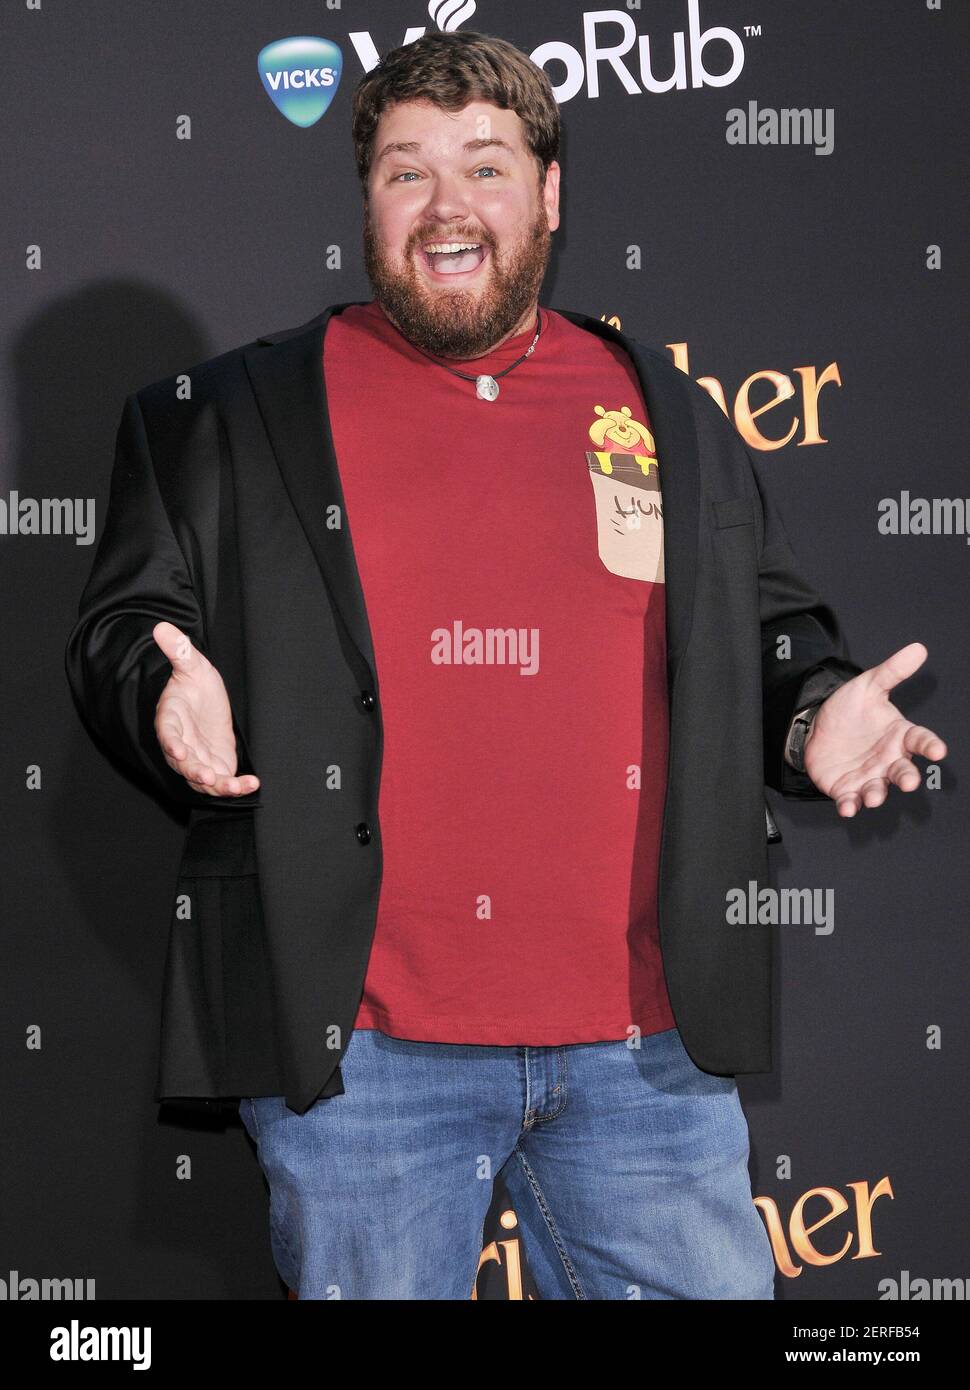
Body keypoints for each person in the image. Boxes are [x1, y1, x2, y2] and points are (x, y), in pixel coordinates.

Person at [65, 31, 947, 1301]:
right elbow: (117, 633)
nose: (445, 208)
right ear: (365, 201)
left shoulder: (664, 408)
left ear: (548, 195)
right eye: (405, 173)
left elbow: (763, 630)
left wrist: (812, 714)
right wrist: (163, 699)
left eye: (483, 167)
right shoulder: (220, 416)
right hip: (364, 1063)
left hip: (646, 1054)